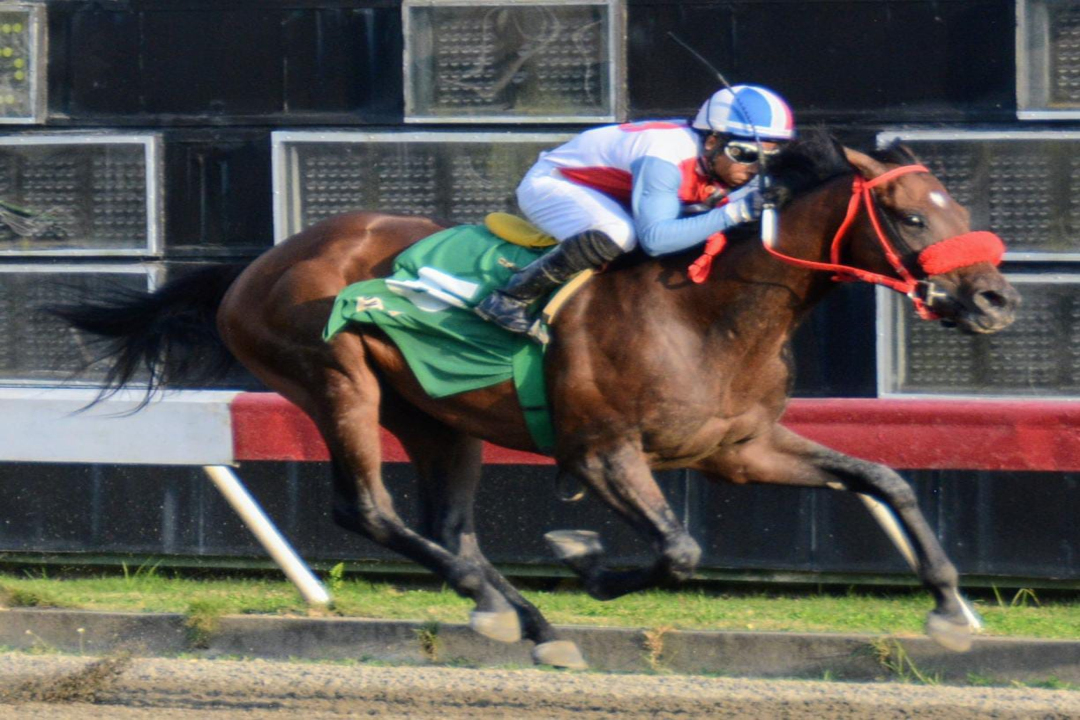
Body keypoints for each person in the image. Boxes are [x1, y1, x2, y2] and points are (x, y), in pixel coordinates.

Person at [474, 84, 796, 338]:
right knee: (620, 234)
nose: (755, 168)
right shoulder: (665, 156)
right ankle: (510, 298)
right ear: (712, 141)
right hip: (554, 184)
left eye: (768, 157)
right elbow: (656, 239)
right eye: (745, 153)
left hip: (612, 192)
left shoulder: (721, 162)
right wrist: (737, 213)